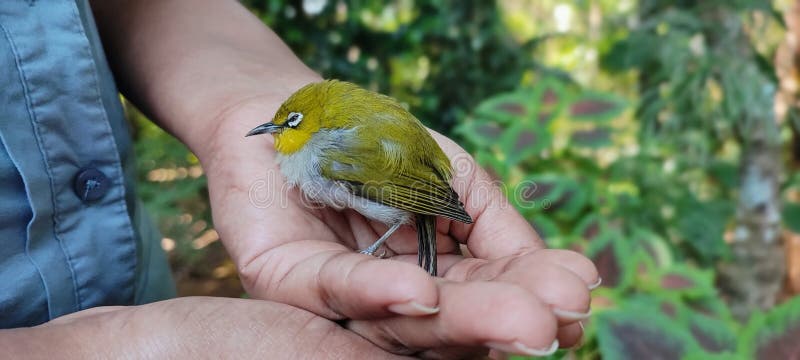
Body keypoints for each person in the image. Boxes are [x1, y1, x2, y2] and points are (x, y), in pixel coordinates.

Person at [0, 0, 599, 358]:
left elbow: (399, 194)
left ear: (312, 123)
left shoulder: (331, 152)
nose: (273, 132)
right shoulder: (330, 121)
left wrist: (427, 217)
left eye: (285, 125)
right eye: (276, 124)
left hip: (411, 193)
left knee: (396, 245)